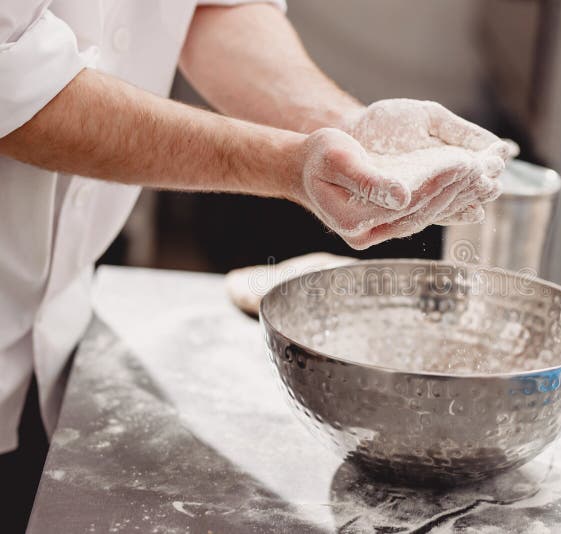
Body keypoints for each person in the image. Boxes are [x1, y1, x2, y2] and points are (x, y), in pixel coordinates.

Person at [0, 1, 512, 530]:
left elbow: (213, 8)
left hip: (57, 329)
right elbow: (16, 93)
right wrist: (288, 166)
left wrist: (346, 125)